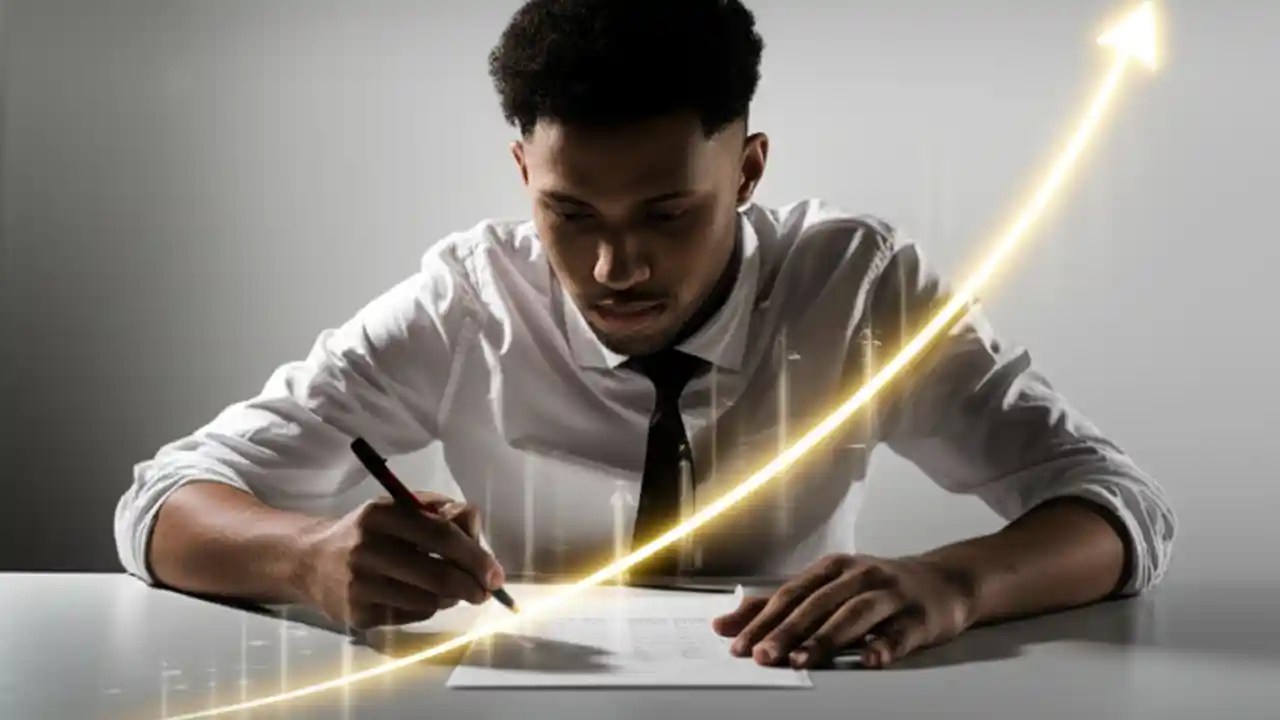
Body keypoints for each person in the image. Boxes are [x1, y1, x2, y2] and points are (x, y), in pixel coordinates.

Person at [114, 0, 1175, 670]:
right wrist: (306, 557)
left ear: (748, 170)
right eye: (569, 216)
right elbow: (160, 502)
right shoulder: (463, 304)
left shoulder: (857, 287)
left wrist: (956, 582)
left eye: (667, 215)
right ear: (523, 173)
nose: (614, 271)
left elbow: (1113, 505)